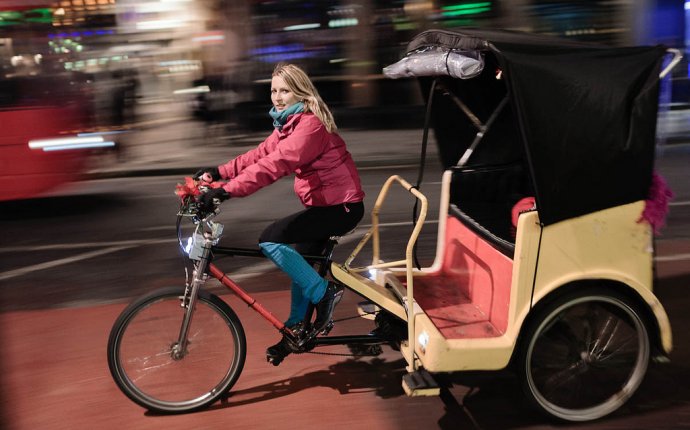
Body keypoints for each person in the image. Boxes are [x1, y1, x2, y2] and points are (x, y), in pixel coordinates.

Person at [194, 63, 365, 364]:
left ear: (299, 91)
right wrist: (218, 172)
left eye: (284, 90)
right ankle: (296, 331)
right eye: (273, 90)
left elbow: (275, 165)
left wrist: (226, 191)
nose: (277, 96)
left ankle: (325, 294)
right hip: (325, 206)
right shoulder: (289, 123)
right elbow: (260, 155)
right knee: (301, 263)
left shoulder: (310, 126)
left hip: (342, 208)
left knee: (271, 240)